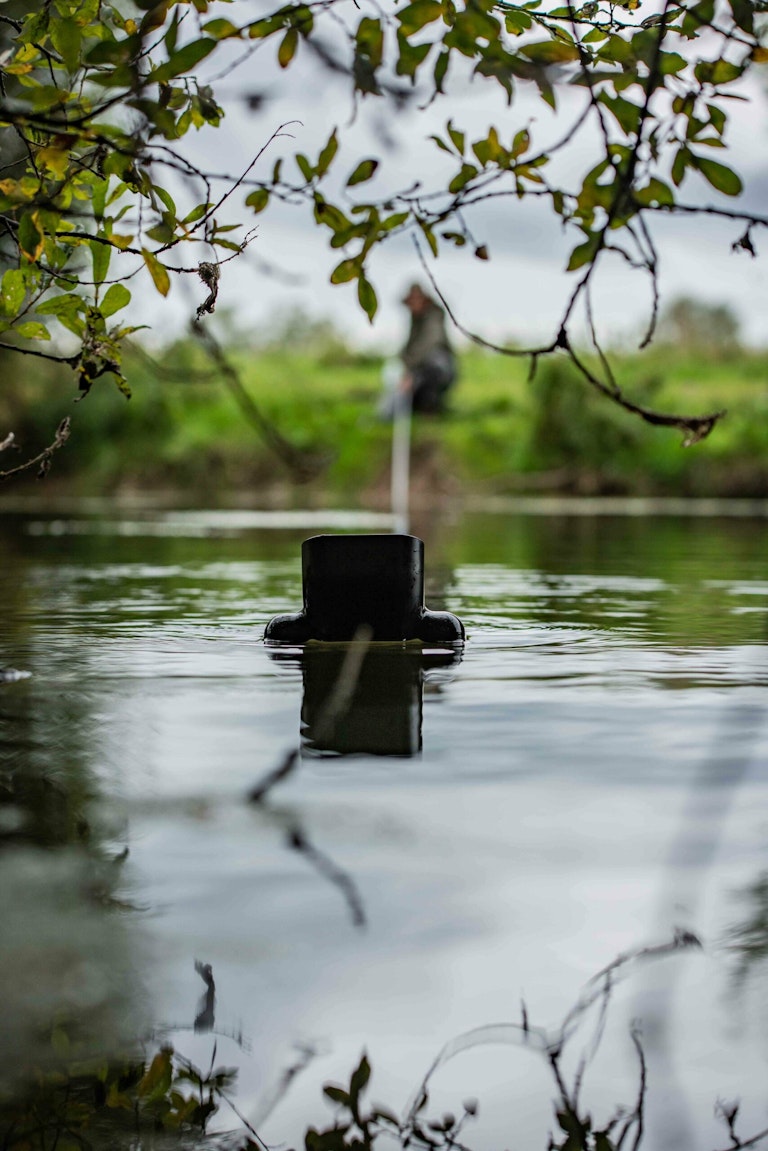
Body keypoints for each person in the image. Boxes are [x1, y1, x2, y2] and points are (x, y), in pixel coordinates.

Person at [398, 283, 457, 414]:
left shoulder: (434, 316)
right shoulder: (415, 319)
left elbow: (431, 342)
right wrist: (404, 362)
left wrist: (411, 367)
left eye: (417, 299)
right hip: (419, 369)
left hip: (439, 368)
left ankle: (431, 406)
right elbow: (409, 345)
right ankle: (418, 405)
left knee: (434, 364)